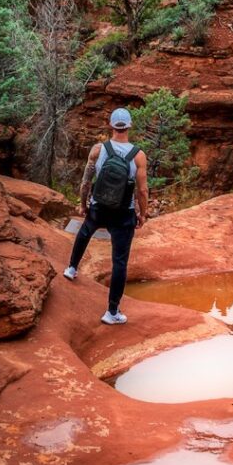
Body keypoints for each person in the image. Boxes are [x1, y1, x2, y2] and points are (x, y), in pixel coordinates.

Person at [63, 107, 148, 325]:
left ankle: (71, 268)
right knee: (119, 261)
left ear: (111, 125)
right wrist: (142, 214)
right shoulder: (138, 156)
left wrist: (83, 205)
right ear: (129, 126)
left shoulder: (98, 150)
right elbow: (142, 190)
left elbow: (86, 182)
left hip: (99, 206)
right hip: (123, 212)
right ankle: (112, 312)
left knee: (85, 231)